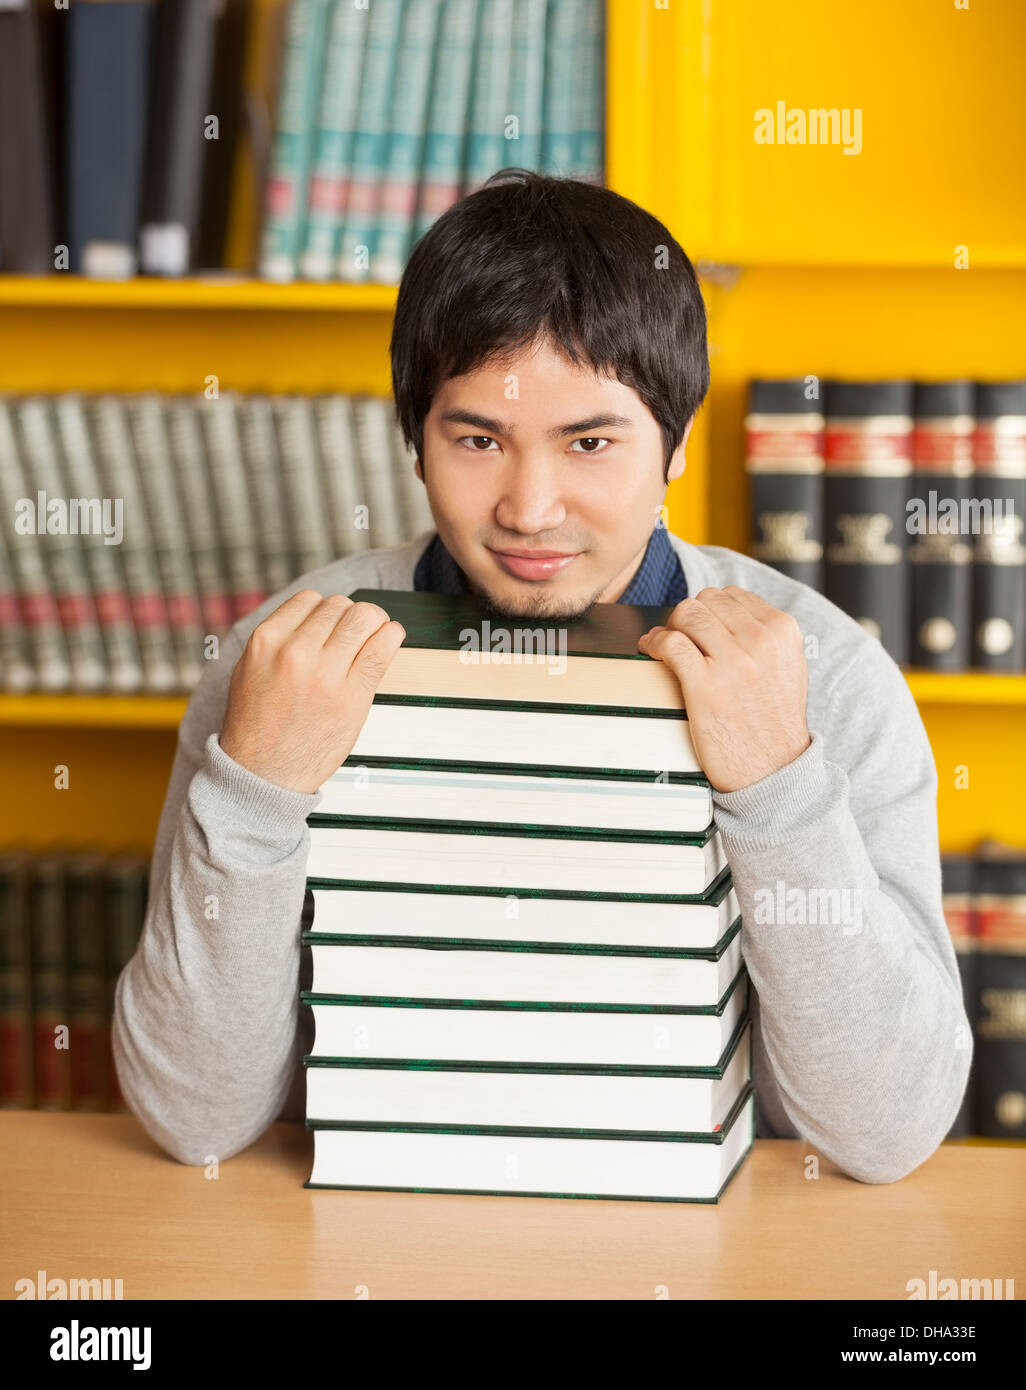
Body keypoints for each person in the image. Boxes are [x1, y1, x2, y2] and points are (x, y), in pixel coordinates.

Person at [113, 170, 970, 1182]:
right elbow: (193, 1116)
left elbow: (887, 1130)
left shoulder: (830, 677)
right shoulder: (280, 661)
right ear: (414, 442)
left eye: (591, 442)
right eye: (478, 439)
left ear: (677, 444)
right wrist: (253, 794)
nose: (528, 507)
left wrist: (778, 786)